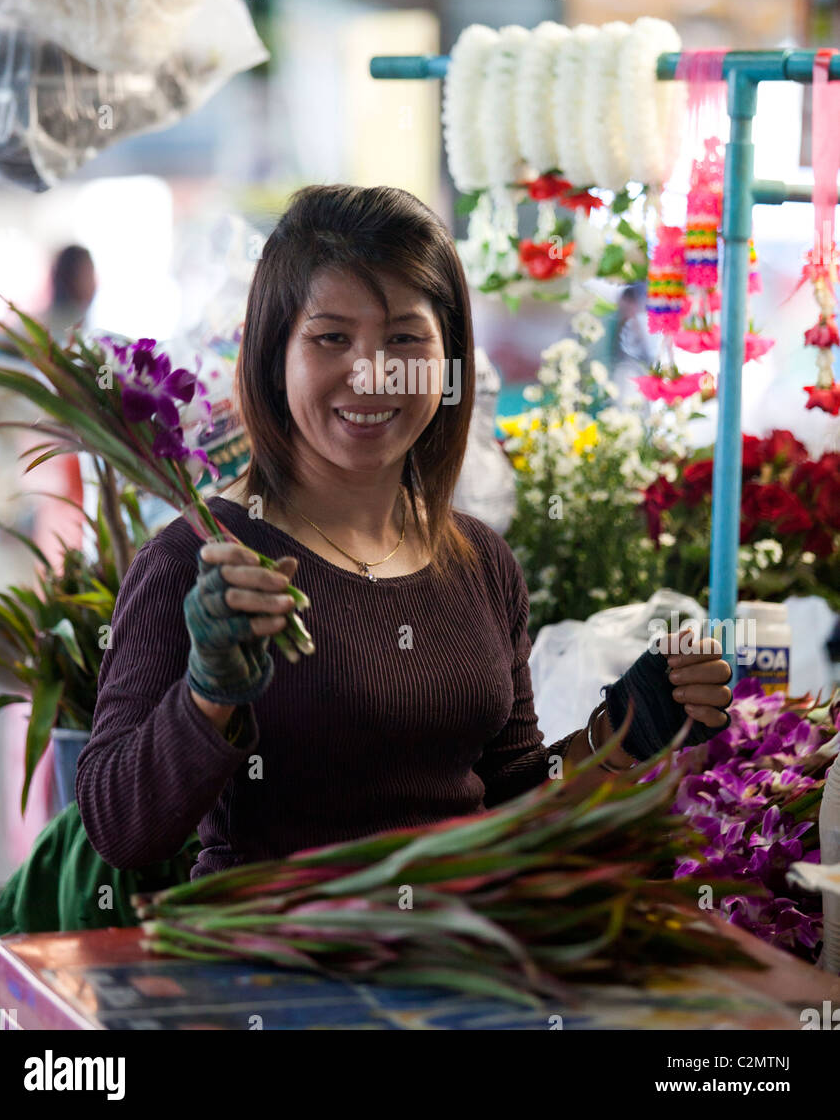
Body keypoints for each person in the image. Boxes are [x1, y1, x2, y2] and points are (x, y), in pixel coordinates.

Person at [75, 185, 732, 877]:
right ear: (275, 355)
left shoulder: (479, 561)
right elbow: (119, 830)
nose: (372, 372)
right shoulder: (199, 560)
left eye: (404, 339)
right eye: (332, 337)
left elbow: (514, 798)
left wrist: (627, 729)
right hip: (274, 970)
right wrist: (209, 693)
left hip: (457, 956)